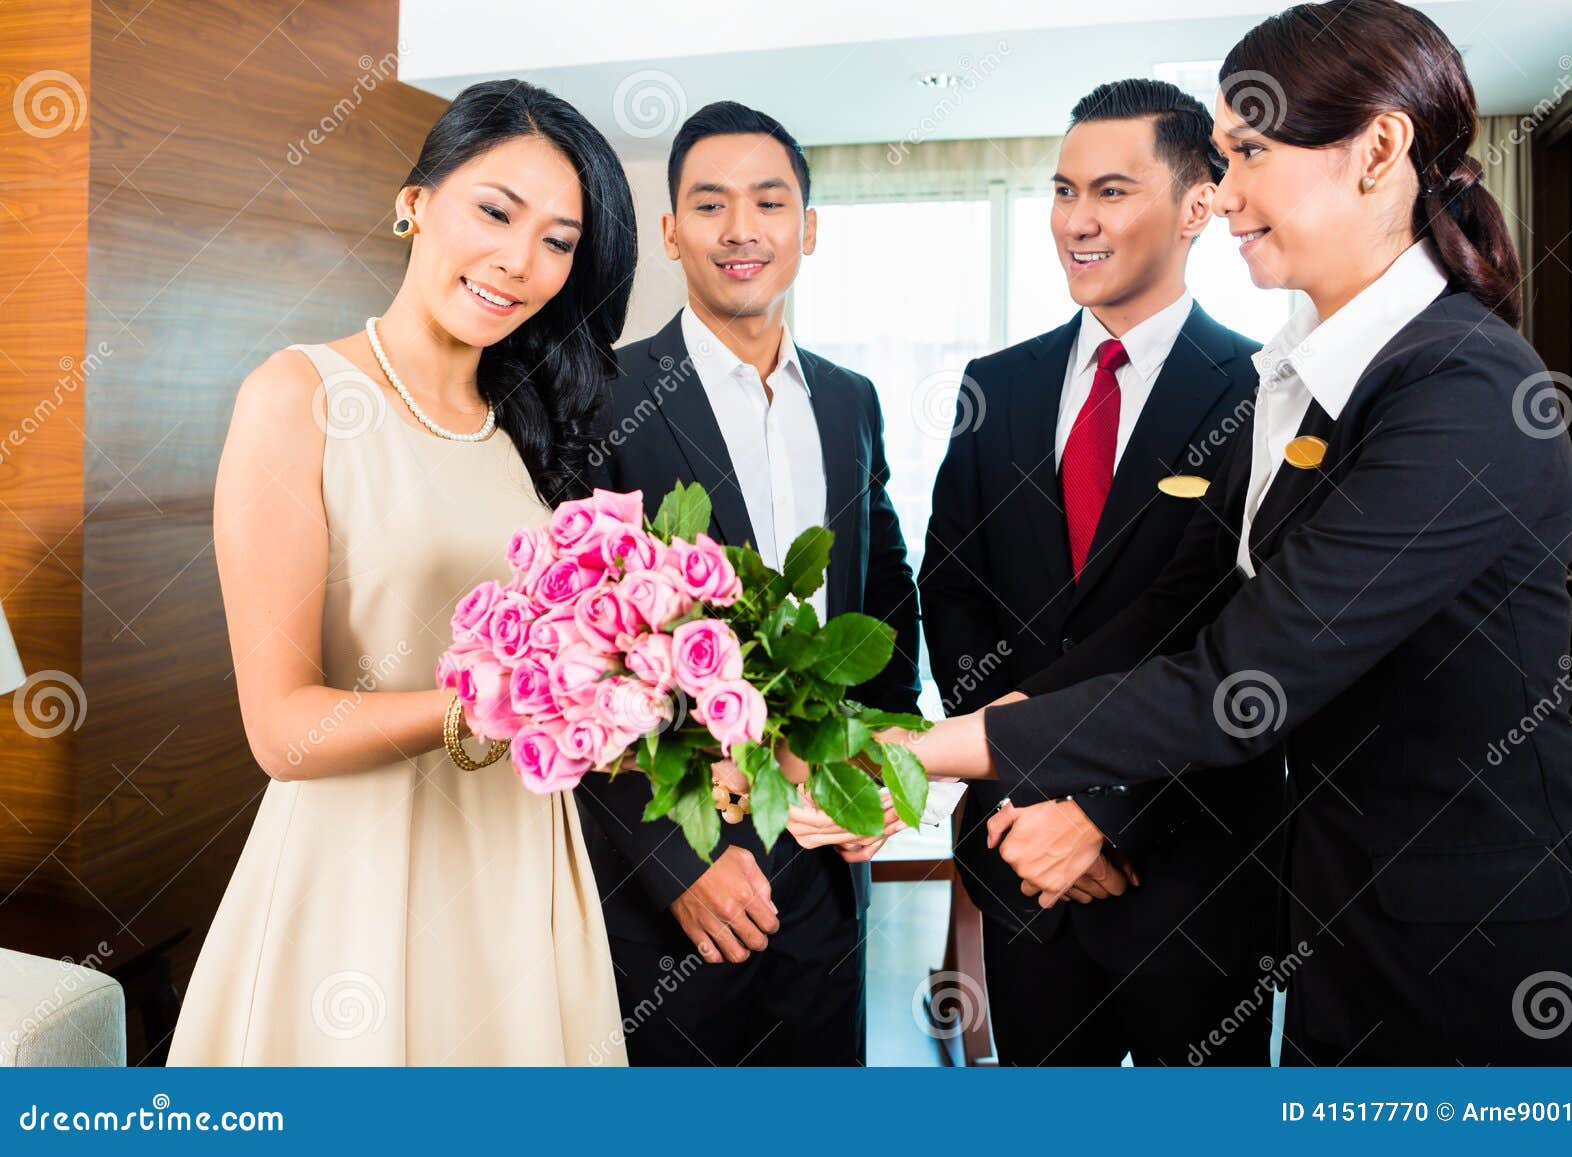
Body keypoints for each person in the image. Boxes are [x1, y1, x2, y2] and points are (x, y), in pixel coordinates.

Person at [901, 0, 1572, 1065]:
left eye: (1249, 153)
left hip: (1477, 938)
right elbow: (1171, 613)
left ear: (1377, 151)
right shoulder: (1307, 378)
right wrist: (963, 734)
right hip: (1339, 906)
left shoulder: (1459, 385)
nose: (1220, 193)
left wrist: (936, 753)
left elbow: (1244, 671)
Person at [170, 80, 637, 1064]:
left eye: (558, 240)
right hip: (363, 880)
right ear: (415, 200)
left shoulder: (523, 432)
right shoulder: (298, 394)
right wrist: (487, 701)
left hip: (520, 863)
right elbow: (281, 728)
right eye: (495, 212)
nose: (519, 260)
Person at [920, 78, 1278, 1066]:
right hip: (1023, 861)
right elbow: (948, 595)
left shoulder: (1268, 394)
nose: (1076, 221)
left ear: (1198, 204)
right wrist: (1027, 790)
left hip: (1189, 868)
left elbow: (1246, 642)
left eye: (1111, 192)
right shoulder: (996, 385)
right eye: (1063, 189)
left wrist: (1105, 813)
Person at [576, 101, 920, 1066]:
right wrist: (673, 865)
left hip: (823, 850)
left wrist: (889, 761)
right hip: (682, 865)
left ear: (807, 229)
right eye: (711, 203)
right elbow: (573, 656)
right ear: (671, 229)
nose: (742, 230)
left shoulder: (853, 399)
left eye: (770, 203)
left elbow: (882, 595)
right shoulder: (601, 394)